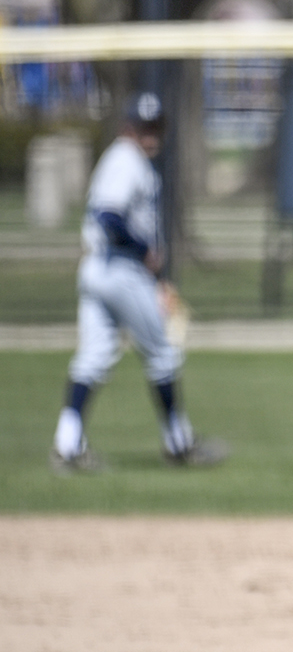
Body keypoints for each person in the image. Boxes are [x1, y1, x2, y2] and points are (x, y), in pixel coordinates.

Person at [49, 91, 227, 473]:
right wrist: (144, 249)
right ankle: (178, 442)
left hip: (97, 269)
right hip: (121, 269)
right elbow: (108, 217)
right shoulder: (128, 160)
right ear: (128, 126)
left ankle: (67, 446)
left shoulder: (120, 158)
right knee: (162, 355)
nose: (150, 133)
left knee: (93, 358)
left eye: (155, 126)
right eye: (144, 126)